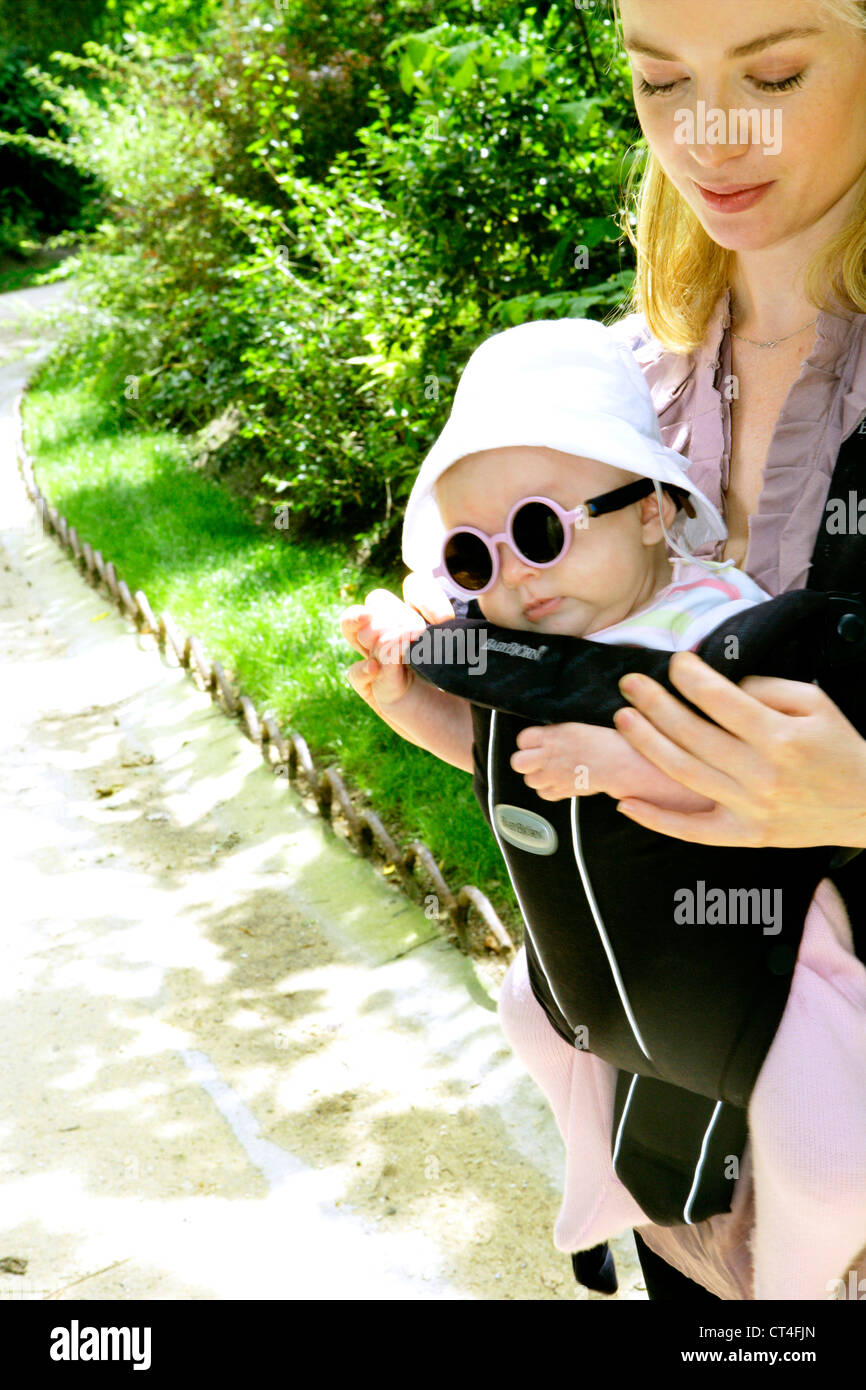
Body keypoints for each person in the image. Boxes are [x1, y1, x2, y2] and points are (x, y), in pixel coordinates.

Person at [342, 0, 866, 1298]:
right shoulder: (609, 389)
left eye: (775, 70)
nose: (709, 134)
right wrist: (455, 674)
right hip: (671, 1130)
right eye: (656, 78)